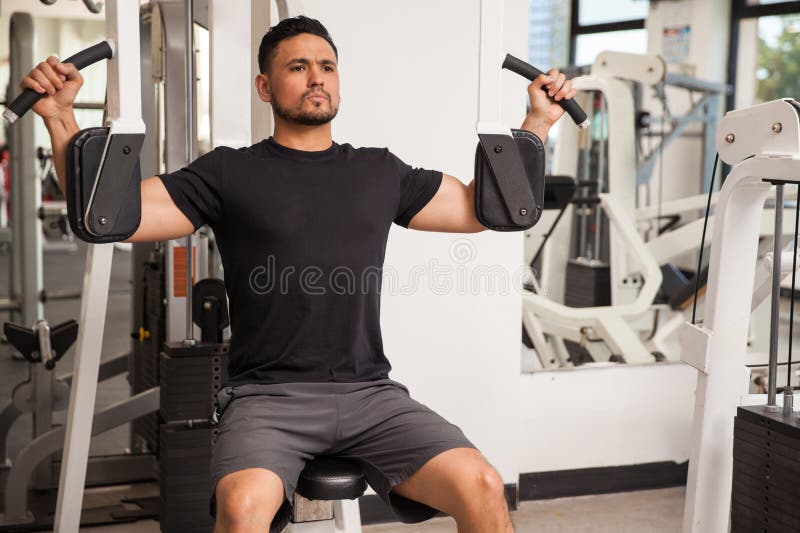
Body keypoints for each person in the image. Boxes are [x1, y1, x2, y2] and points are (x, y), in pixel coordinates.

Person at [24, 15, 575, 533]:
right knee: (241, 509)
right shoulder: (228, 171)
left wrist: (536, 124)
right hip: (267, 398)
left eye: (327, 67)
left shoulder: (380, 170)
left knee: (482, 485)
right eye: (297, 67)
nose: (317, 78)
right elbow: (112, 217)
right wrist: (60, 117)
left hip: (370, 395)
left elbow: (483, 212)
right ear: (265, 87)